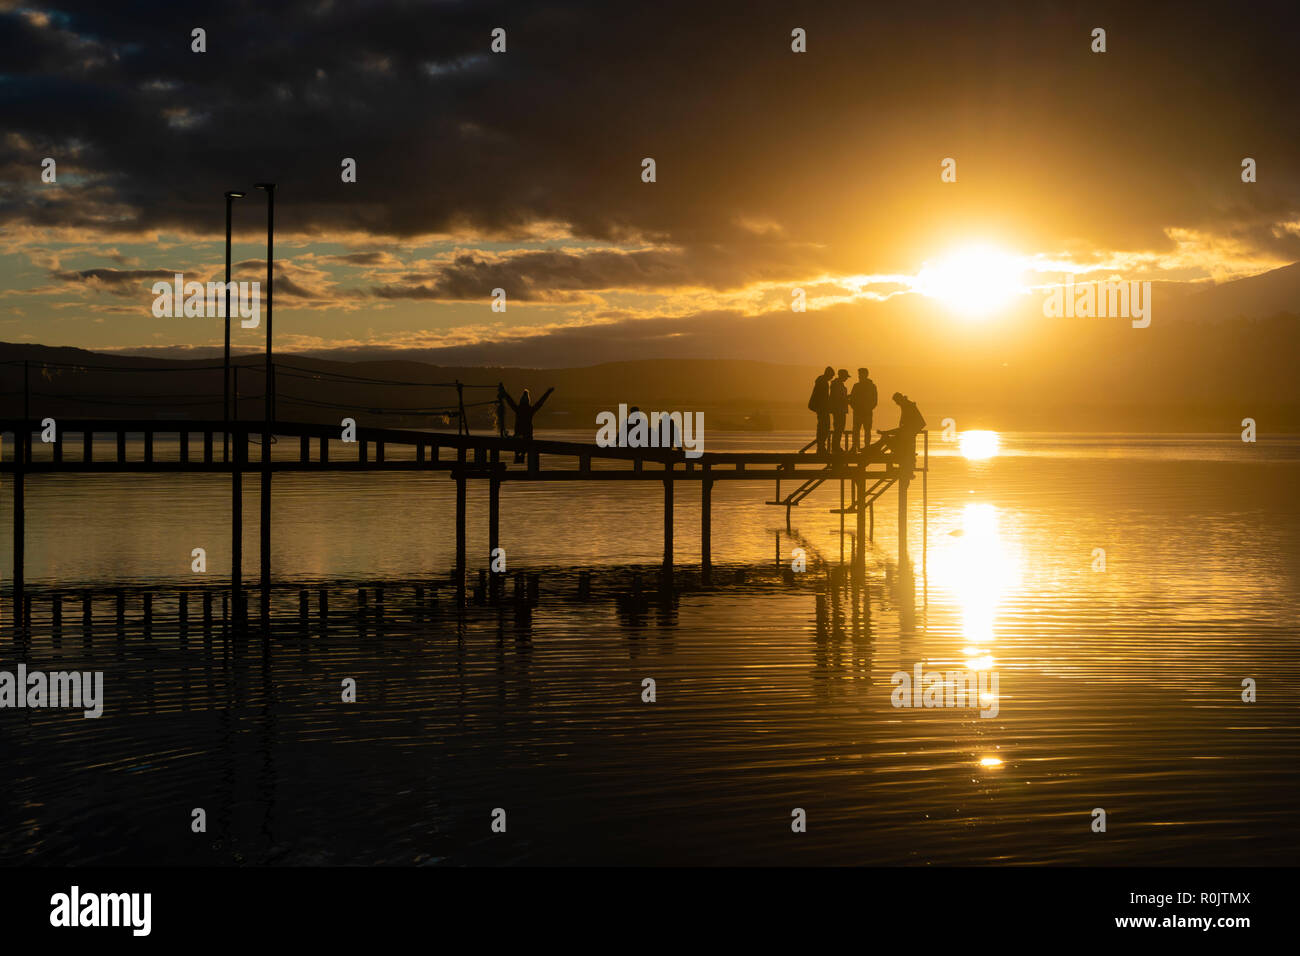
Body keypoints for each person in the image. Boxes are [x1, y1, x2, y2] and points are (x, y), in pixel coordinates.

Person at [499, 384, 554, 462]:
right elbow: (540, 402)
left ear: (521, 401)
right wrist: (548, 393)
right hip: (527, 436)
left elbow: (510, 401)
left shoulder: (518, 409)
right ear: (528, 402)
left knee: (518, 441)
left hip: (519, 435)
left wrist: (504, 392)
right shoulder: (530, 410)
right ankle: (521, 455)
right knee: (524, 443)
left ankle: (519, 455)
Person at [875, 392, 926, 467]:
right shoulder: (906, 405)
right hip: (908, 433)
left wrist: (885, 432)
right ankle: (876, 450)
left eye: (896, 402)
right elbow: (902, 428)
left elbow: (902, 428)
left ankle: (876, 451)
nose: (896, 404)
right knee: (886, 438)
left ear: (900, 400)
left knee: (886, 438)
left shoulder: (908, 406)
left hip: (907, 436)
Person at [849, 367, 877, 452]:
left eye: (861, 374)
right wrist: (855, 407)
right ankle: (854, 447)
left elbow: (874, 400)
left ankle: (867, 446)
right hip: (858, 412)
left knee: (867, 430)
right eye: (859, 374)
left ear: (866, 375)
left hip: (867, 412)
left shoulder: (872, 386)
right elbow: (852, 399)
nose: (859, 376)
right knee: (856, 430)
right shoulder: (856, 386)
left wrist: (868, 408)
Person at [807, 366, 834, 453]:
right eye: (831, 376)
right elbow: (823, 398)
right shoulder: (823, 383)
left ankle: (821, 446)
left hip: (821, 408)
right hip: (822, 409)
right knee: (824, 427)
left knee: (822, 427)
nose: (832, 378)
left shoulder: (821, 381)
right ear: (828, 374)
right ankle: (821, 447)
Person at [830, 369, 850, 454]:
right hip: (839, 410)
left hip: (840, 410)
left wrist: (846, 398)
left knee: (839, 429)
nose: (846, 378)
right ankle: (835, 447)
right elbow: (838, 398)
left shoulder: (838, 385)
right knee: (838, 428)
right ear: (842, 376)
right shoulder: (837, 385)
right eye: (846, 377)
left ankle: (836, 446)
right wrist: (847, 399)